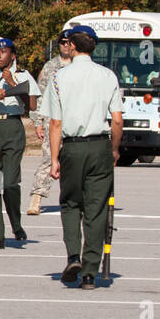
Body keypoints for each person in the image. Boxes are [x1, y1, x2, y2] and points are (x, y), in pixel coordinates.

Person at [45, 24, 123, 289]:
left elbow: (55, 123)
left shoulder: (59, 77)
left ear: (73, 46)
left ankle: (73, 257)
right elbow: (117, 120)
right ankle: (90, 272)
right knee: (96, 209)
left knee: (70, 203)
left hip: (73, 146)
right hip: (100, 144)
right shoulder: (108, 75)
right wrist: (113, 149)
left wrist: (54, 159)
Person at [0, 38, 40, 249]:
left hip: (14, 127)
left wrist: (13, 84)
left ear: (12, 55)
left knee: (11, 183)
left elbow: (30, 105)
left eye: (2, 52)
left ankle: (16, 223)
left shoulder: (23, 76)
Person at [28, 34, 74, 215]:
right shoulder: (50, 67)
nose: (65, 46)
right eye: (62, 43)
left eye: (68, 43)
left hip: (73, 119)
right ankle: (37, 197)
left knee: (72, 160)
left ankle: (73, 199)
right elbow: (39, 94)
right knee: (49, 159)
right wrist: (37, 122)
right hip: (52, 119)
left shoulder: (79, 66)